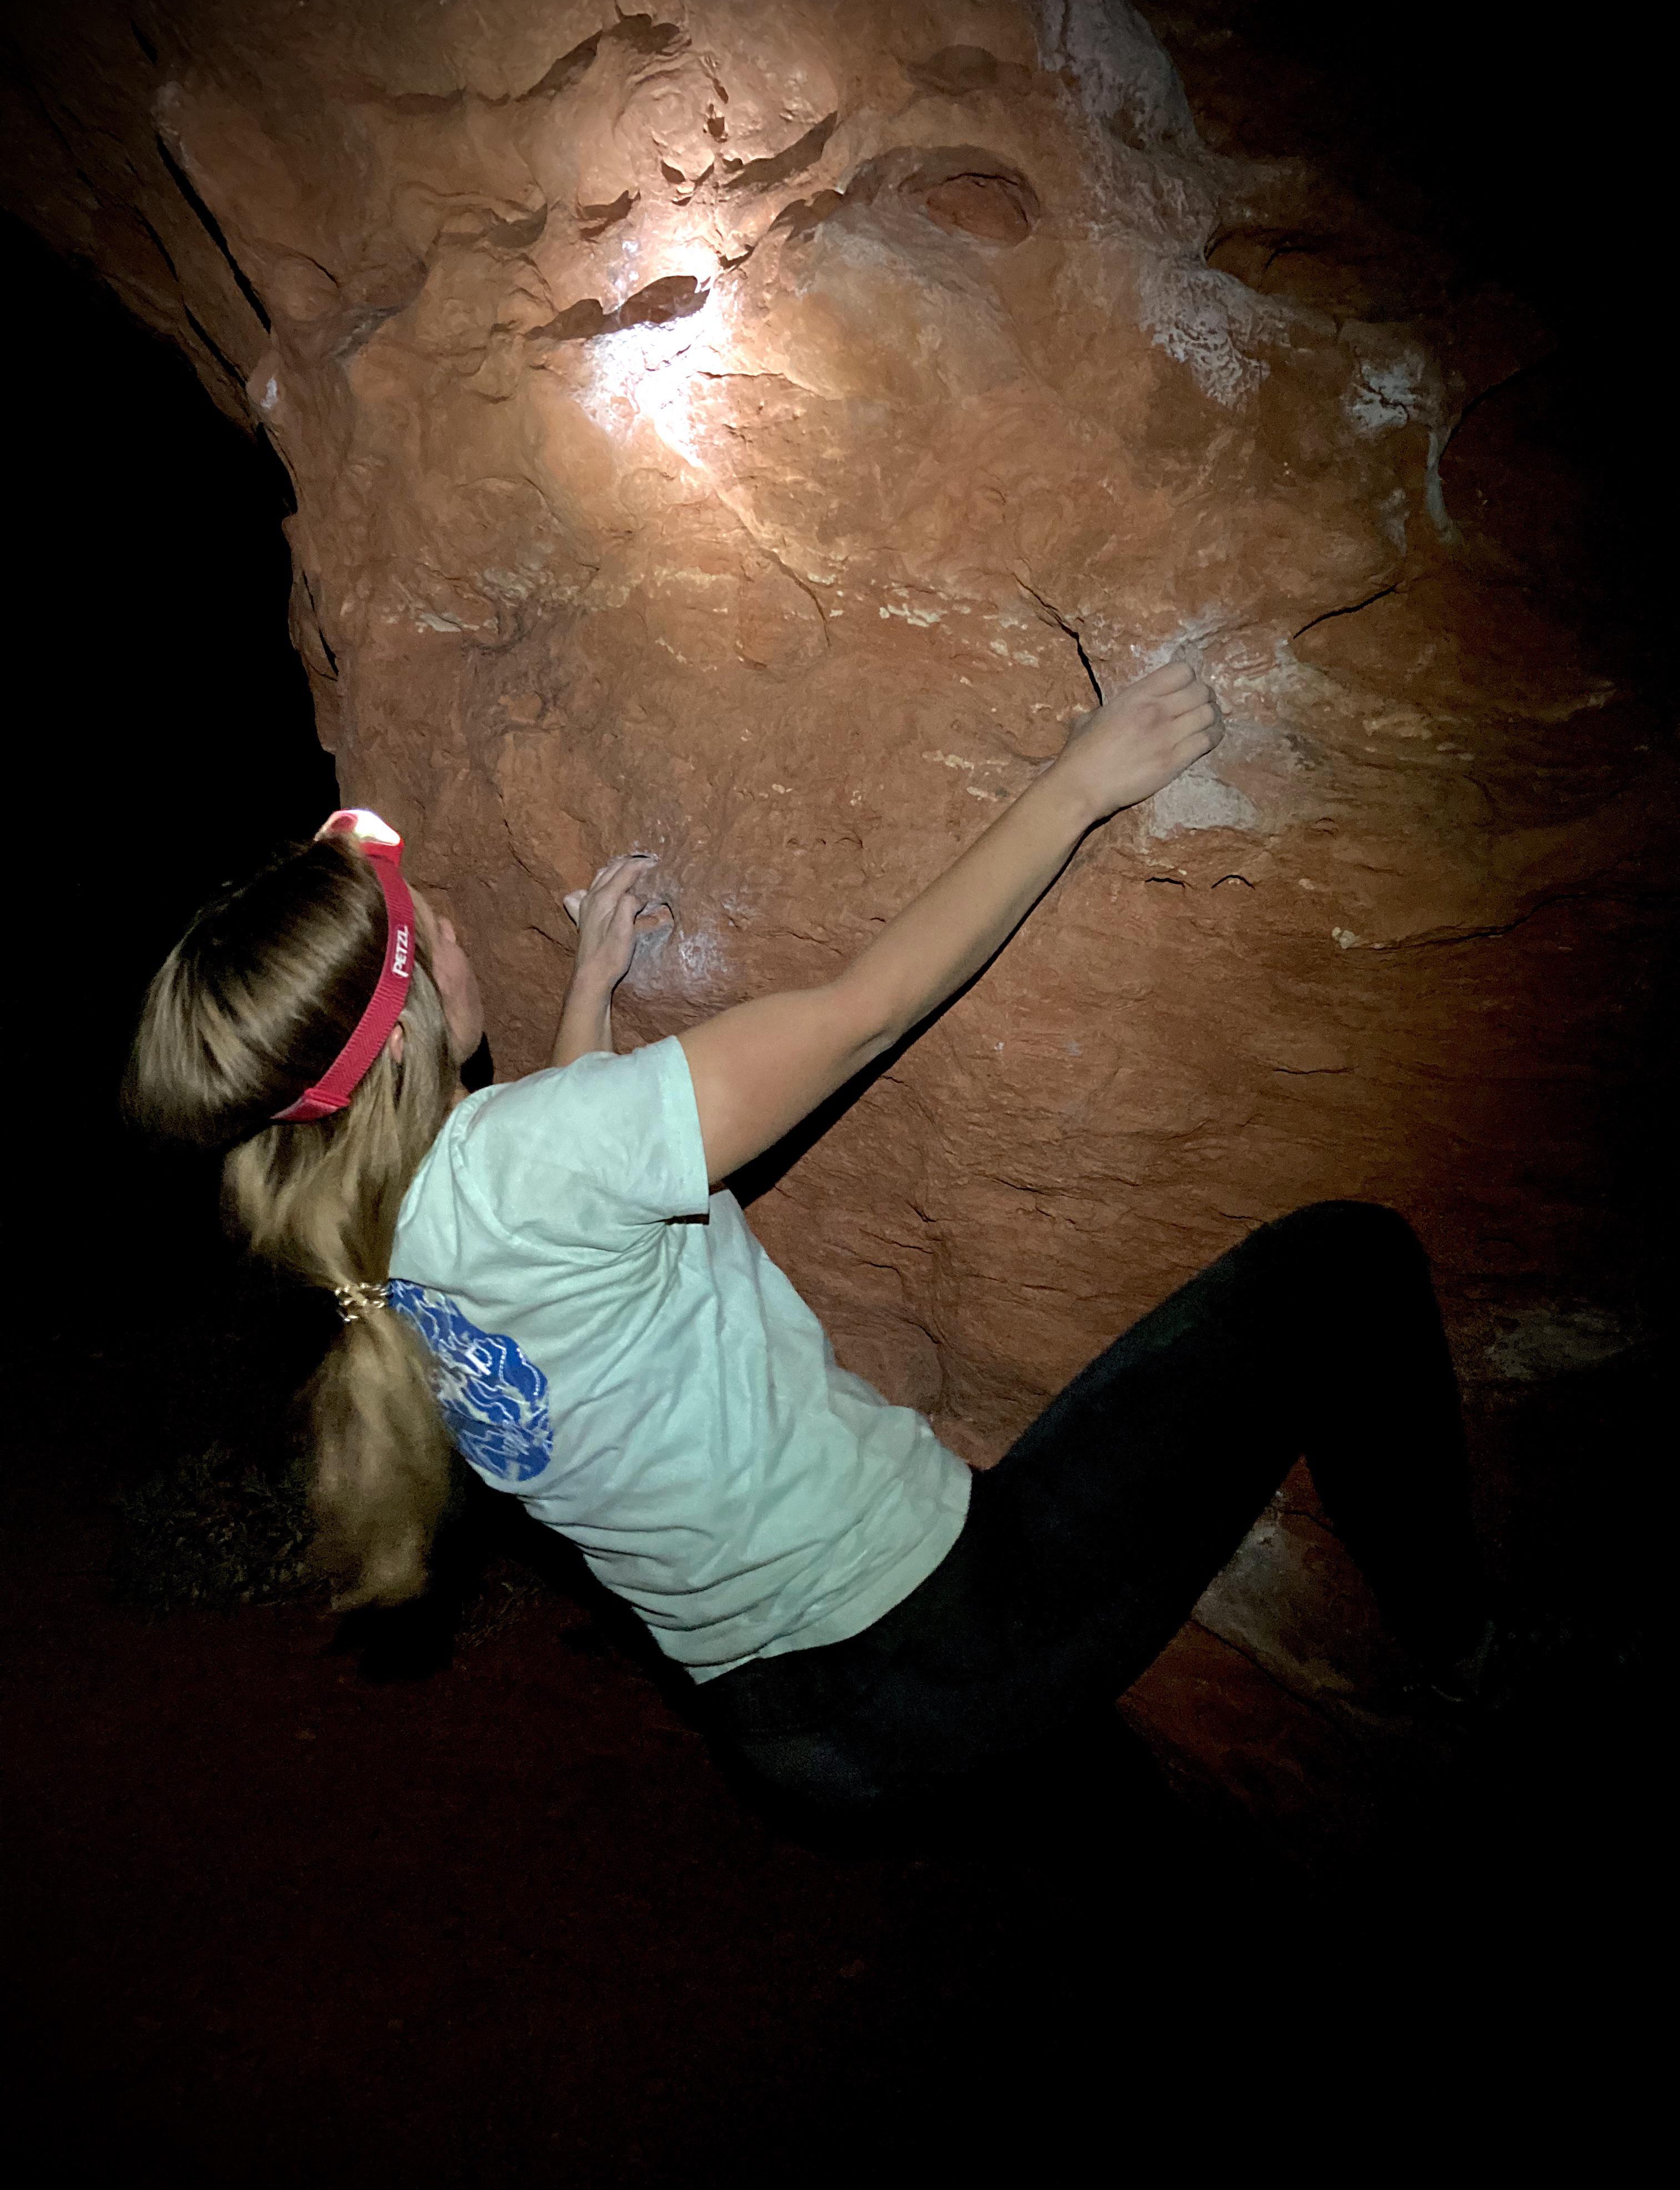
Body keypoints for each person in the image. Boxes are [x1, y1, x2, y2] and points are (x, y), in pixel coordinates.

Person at [125, 661, 1496, 1832]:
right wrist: (1081, 781)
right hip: (946, 1628)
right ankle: (1475, 1652)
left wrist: (592, 988)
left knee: (1077, 1788)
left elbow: (570, 1208)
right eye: (428, 922)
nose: (447, 915)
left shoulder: (356, 1242)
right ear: (412, 1012)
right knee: (1346, 1266)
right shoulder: (537, 1159)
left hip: (787, 1737)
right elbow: (864, 1012)